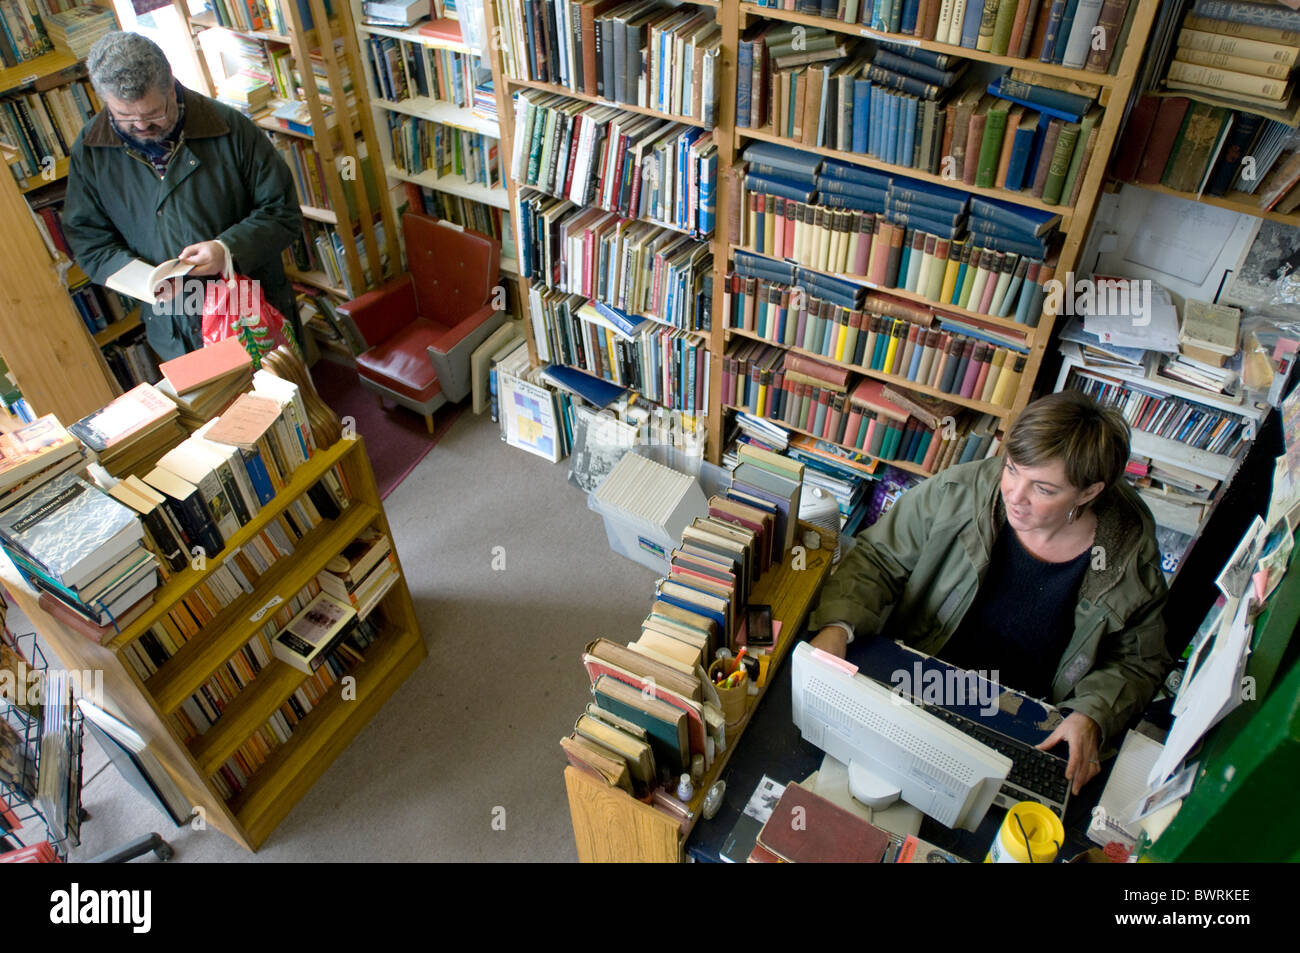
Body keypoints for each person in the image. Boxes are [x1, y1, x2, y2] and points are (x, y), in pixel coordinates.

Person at [808, 390, 1172, 796]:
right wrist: (838, 625)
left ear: (1089, 493)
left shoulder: (1127, 556)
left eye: (1044, 489)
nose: (1015, 495)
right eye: (1013, 469)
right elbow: (877, 559)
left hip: (1026, 716)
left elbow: (1138, 661)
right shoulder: (960, 494)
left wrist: (1092, 714)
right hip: (918, 674)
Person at [62, 31, 302, 361]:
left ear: (171, 84)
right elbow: (89, 241)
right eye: (125, 117)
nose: (142, 126)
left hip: (252, 313)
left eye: (154, 113)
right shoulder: (90, 149)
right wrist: (141, 278)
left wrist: (226, 250)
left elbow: (283, 211)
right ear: (104, 100)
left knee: (287, 406)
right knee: (213, 413)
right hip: (175, 327)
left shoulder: (228, 127)